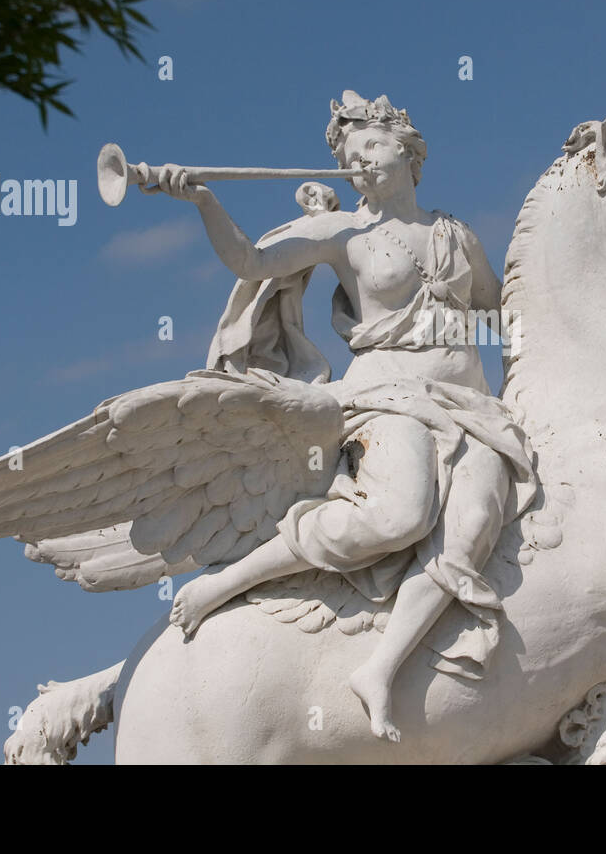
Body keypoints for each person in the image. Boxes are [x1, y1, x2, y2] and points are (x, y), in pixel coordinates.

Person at [155, 91, 535, 740]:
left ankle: (379, 668)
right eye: (350, 158)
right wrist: (203, 201)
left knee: (473, 524)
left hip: (470, 407)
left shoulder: (456, 235)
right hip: (386, 398)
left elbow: (508, 316)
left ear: (409, 152)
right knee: (400, 513)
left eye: (372, 149)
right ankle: (233, 581)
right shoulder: (344, 234)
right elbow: (251, 261)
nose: (361, 164)